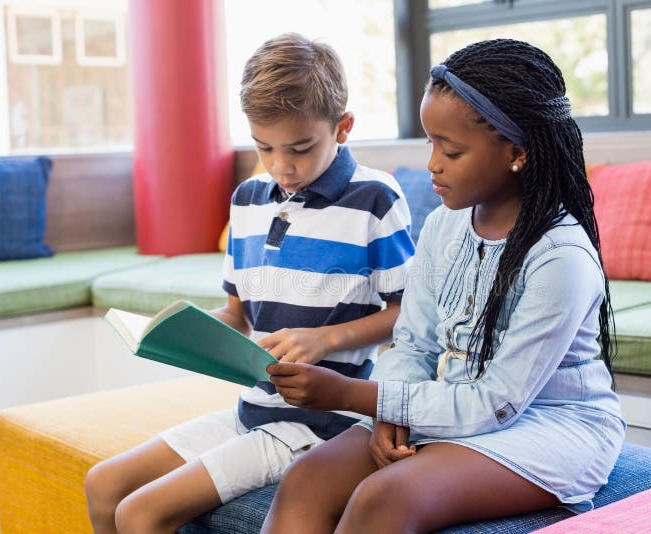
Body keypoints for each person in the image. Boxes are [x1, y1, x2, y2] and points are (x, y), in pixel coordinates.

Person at [262, 38, 626, 533]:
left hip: (548, 426)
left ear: (516, 152)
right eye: (430, 142)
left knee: (385, 497)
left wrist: (358, 396)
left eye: (450, 150)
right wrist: (394, 409)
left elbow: (495, 402)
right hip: (445, 404)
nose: (432, 163)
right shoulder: (443, 225)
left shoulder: (560, 257)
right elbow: (415, 343)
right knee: (307, 477)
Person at [84, 33, 415, 534]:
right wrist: (183, 335)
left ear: (342, 127)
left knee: (140, 512)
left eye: (301, 148)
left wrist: (325, 338)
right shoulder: (248, 198)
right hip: (253, 406)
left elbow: (408, 315)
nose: (283, 166)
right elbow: (236, 313)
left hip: (316, 423)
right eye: (264, 148)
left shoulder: (375, 199)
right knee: (104, 484)